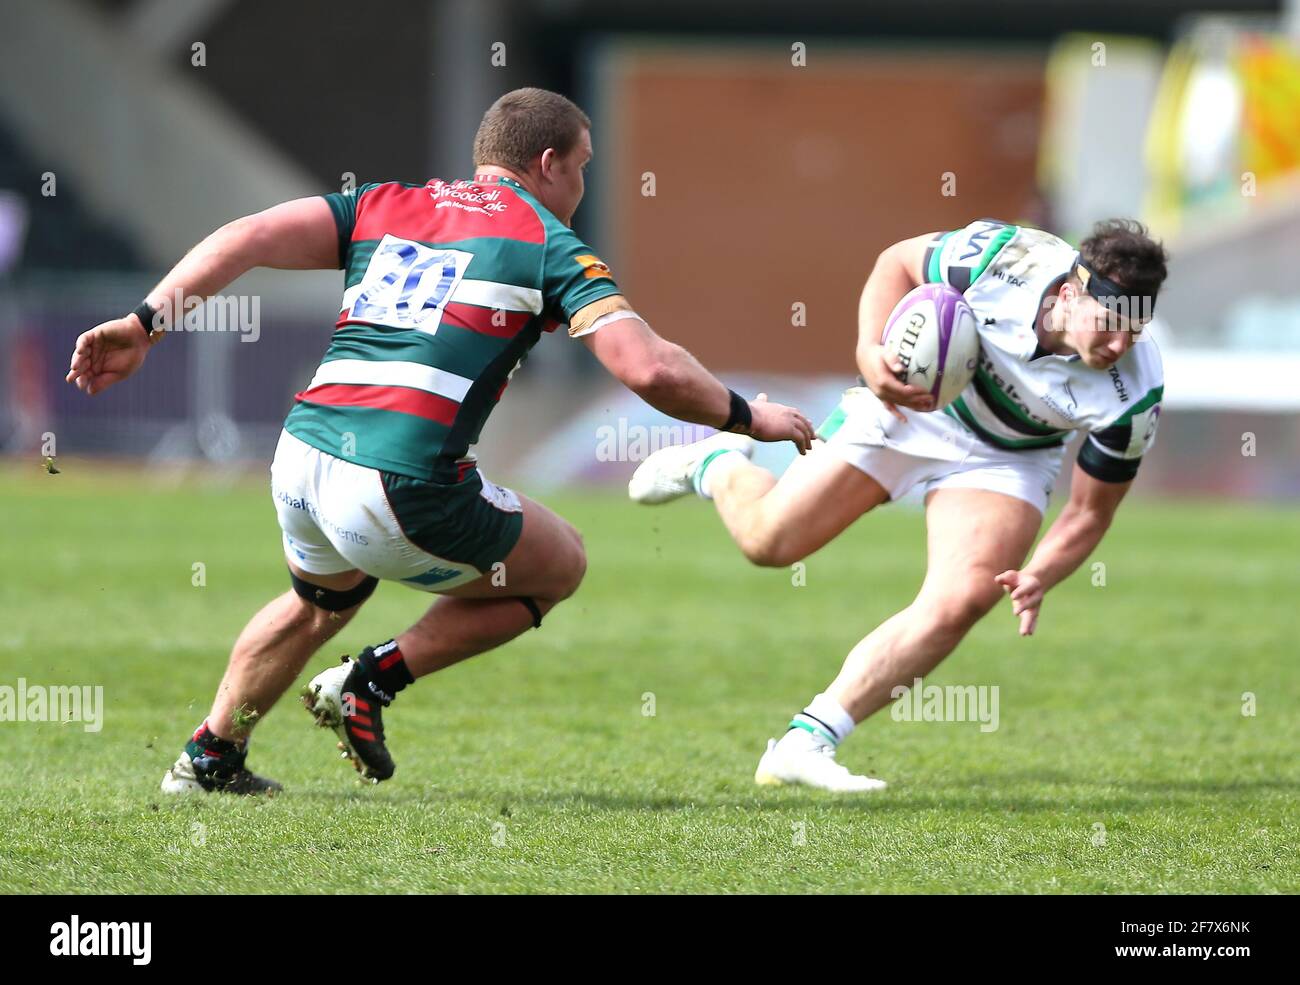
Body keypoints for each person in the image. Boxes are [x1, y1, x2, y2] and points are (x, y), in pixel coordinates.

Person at [66, 87, 813, 794]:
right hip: (397, 483)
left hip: (300, 458)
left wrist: (144, 323)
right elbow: (646, 365)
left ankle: (210, 754)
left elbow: (248, 235)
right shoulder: (549, 243)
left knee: (318, 602)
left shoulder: (387, 203)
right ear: (547, 164)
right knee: (562, 564)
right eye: (582, 166)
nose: (582, 186)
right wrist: (748, 418)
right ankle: (373, 679)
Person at [629, 218, 1168, 791]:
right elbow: (896, 261)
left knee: (961, 599)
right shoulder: (1001, 258)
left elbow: (1089, 511)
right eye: (1109, 325)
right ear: (1068, 292)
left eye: (1134, 333)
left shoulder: (1133, 395)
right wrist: (869, 353)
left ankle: (806, 742)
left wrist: (1042, 573)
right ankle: (718, 465)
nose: (1119, 347)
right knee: (769, 543)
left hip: (1009, 455)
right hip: (910, 410)